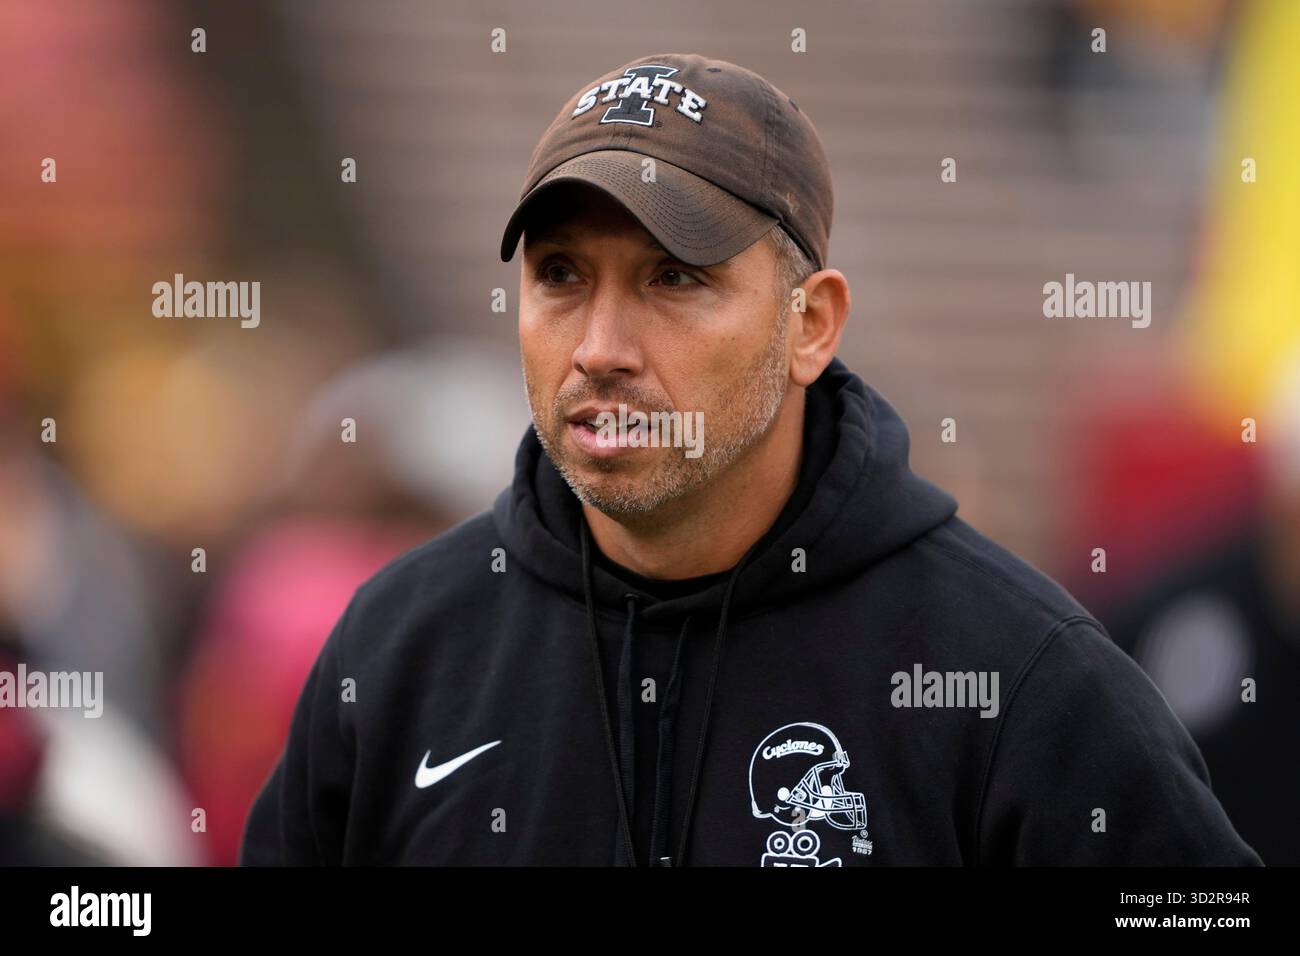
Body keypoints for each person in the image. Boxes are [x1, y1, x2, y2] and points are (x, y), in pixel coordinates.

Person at [240, 53, 1260, 866]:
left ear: (809, 325)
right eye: (560, 274)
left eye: (672, 277)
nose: (598, 345)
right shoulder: (400, 646)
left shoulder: (1015, 673)